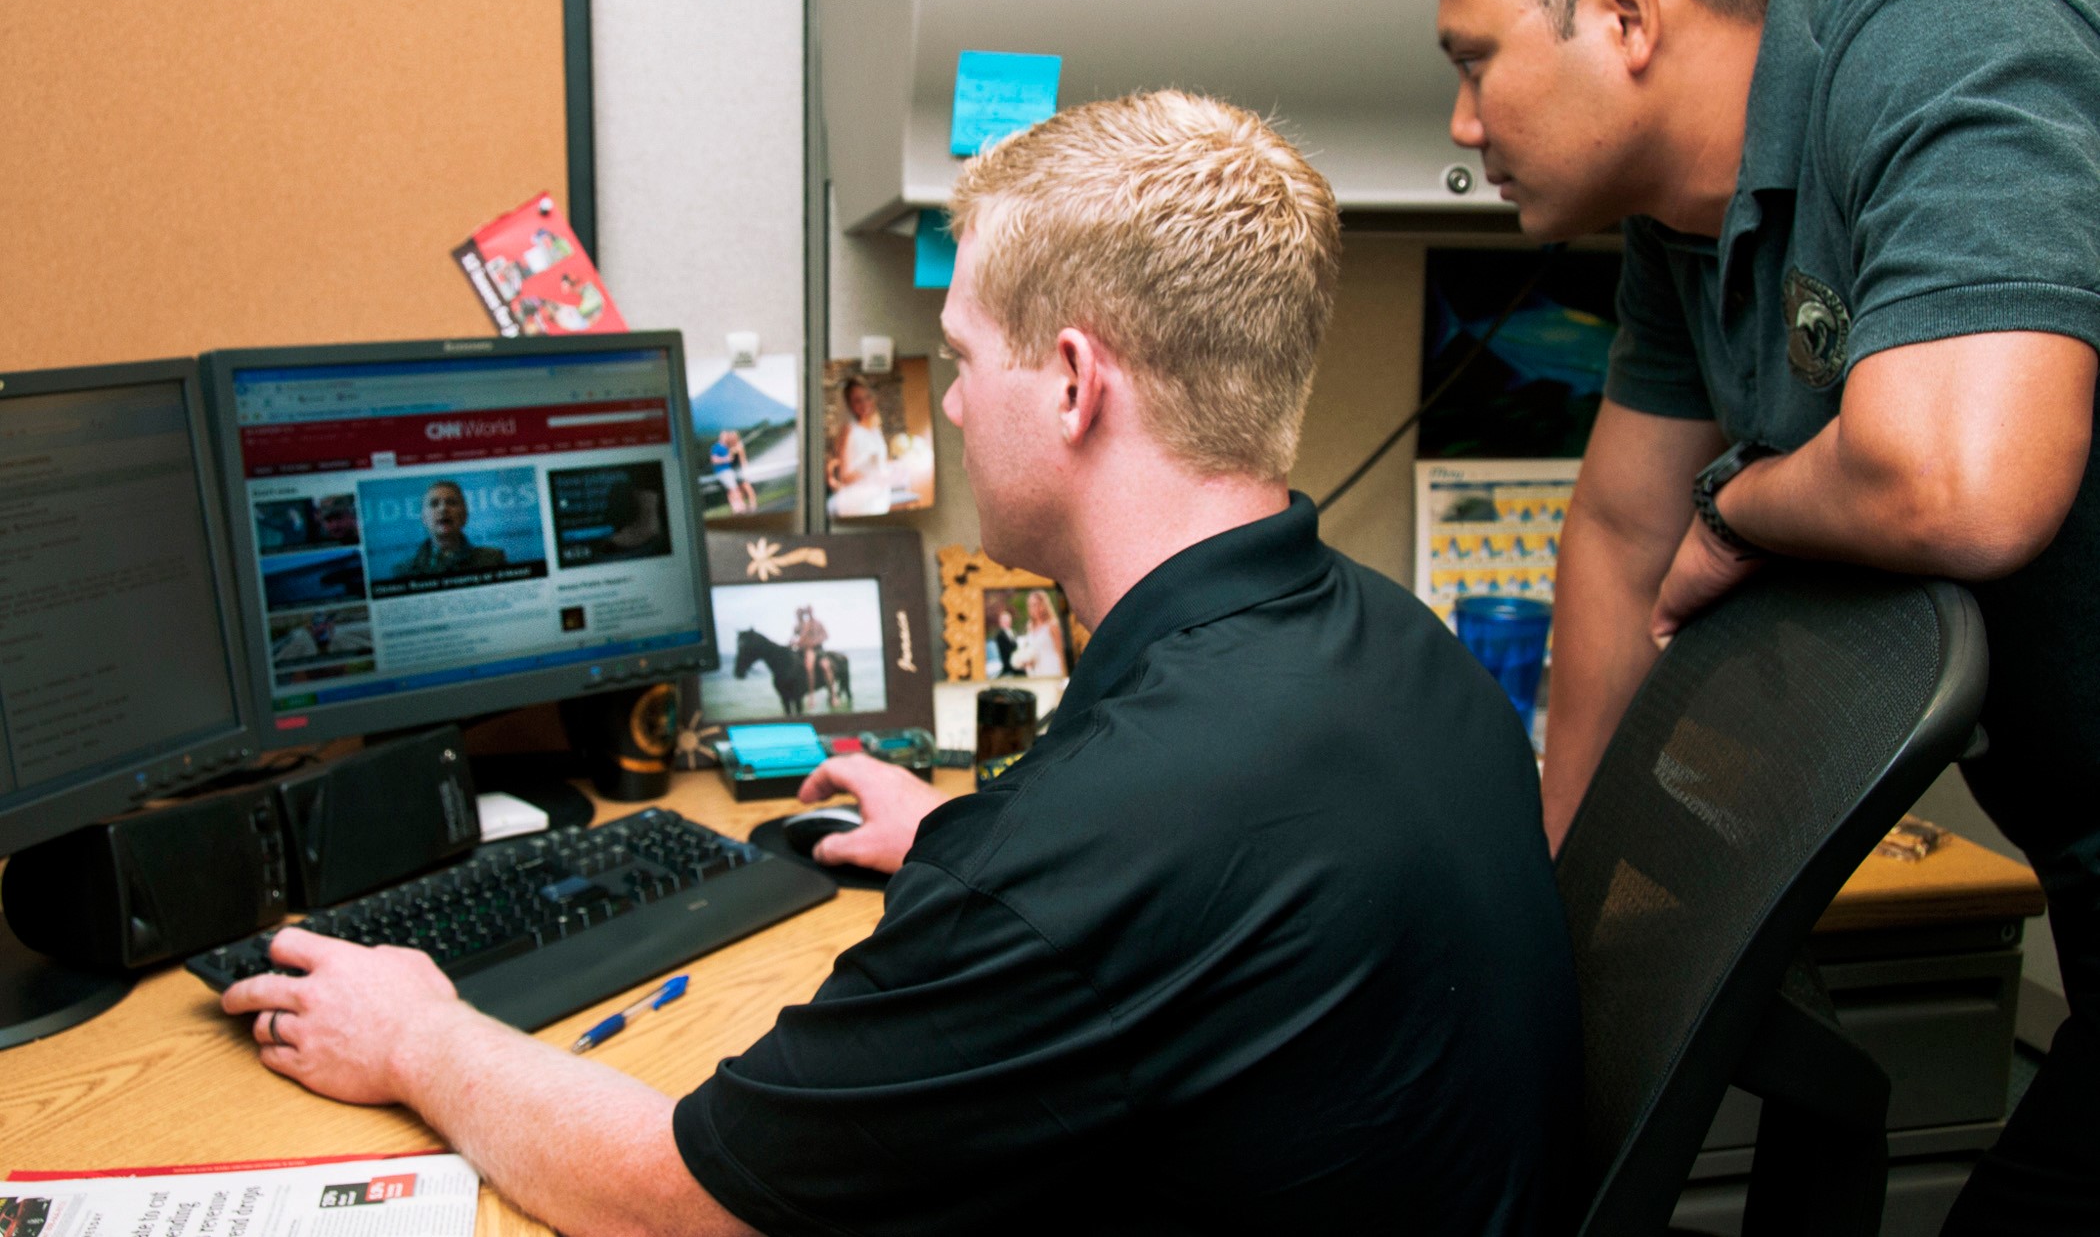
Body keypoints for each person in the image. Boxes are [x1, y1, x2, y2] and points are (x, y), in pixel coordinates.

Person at [218, 90, 1580, 1235]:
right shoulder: (1408, 652)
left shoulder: (1101, 841)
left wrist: (418, 1034)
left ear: (1069, 381)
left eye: (964, 358)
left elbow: (680, 1195)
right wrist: (965, 839)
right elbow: (1199, 904)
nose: (959, 399)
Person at [1435, 0, 2100, 1228]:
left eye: (1475, 58)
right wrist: (1573, 929)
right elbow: (1618, 537)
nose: (1462, 123)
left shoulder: (1958, 24)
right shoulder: (1690, 235)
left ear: (1626, 11)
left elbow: (1968, 478)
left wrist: (1739, 514)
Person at [392, 480, 508, 578]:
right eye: (434, 504)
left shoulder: (493, 560)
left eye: (451, 503)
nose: (443, 509)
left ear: (464, 515)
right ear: (424, 518)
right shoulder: (403, 571)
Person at [825, 376, 891, 517]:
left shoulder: (875, 429)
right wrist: (874, 477)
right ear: (849, 404)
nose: (864, 404)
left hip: (880, 496)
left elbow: (879, 463)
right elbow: (845, 476)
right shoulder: (849, 431)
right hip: (859, 502)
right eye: (857, 400)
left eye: (867, 397)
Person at [1009, 586, 1067, 678]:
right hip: (1036, 672)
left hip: (1052, 669)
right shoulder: (1030, 626)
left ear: (1043, 605)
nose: (1033, 608)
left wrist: (1064, 676)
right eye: (1031, 605)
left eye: (1036, 604)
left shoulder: (1052, 625)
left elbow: (1061, 653)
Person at [790, 604, 835, 701]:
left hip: (817, 649)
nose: (807, 613)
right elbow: (798, 638)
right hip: (807, 649)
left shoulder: (817, 623)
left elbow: (825, 635)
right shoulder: (803, 625)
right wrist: (793, 643)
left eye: (808, 611)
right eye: (799, 614)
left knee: (825, 666)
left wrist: (815, 641)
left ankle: (832, 694)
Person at [709, 429, 757, 513]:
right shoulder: (720, 447)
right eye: (727, 436)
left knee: (743, 487)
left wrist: (745, 468)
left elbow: (742, 458)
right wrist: (726, 458)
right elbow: (715, 459)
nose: (727, 438)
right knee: (734, 489)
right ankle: (738, 507)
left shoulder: (735, 446)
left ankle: (749, 505)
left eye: (728, 436)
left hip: (738, 470)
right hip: (729, 471)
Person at [989, 605, 1021, 676]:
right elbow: (1007, 651)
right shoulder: (1000, 635)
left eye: (1008, 620)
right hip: (1008, 664)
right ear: (1001, 622)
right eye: (1005, 620)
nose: (1007, 622)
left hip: (1016, 661)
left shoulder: (1013, 632)